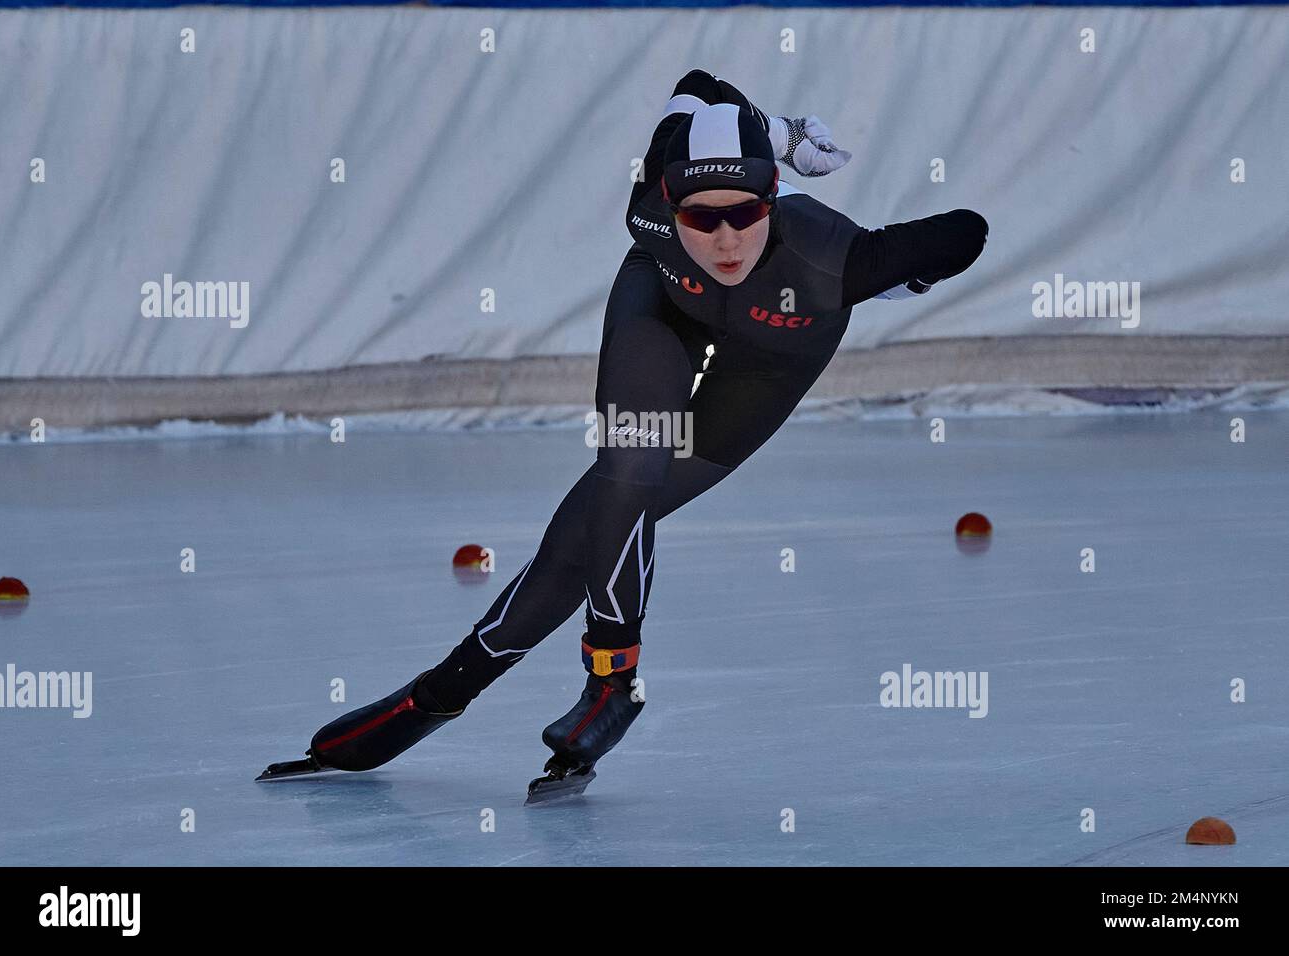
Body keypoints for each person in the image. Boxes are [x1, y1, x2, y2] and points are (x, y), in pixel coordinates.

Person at [264, 70, 989, 791]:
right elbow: (699, 81)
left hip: (772, 358)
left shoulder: (836, 257)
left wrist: (888, 262)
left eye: (745, 212)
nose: (727, 238)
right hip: (664, 306)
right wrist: (773, 132)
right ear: (668, 202)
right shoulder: (649, 206)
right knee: (627, 473)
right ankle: (597, 680)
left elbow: (967, 233)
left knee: (594, 526)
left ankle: (453, 687)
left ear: (774, 201)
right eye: (701, 218)